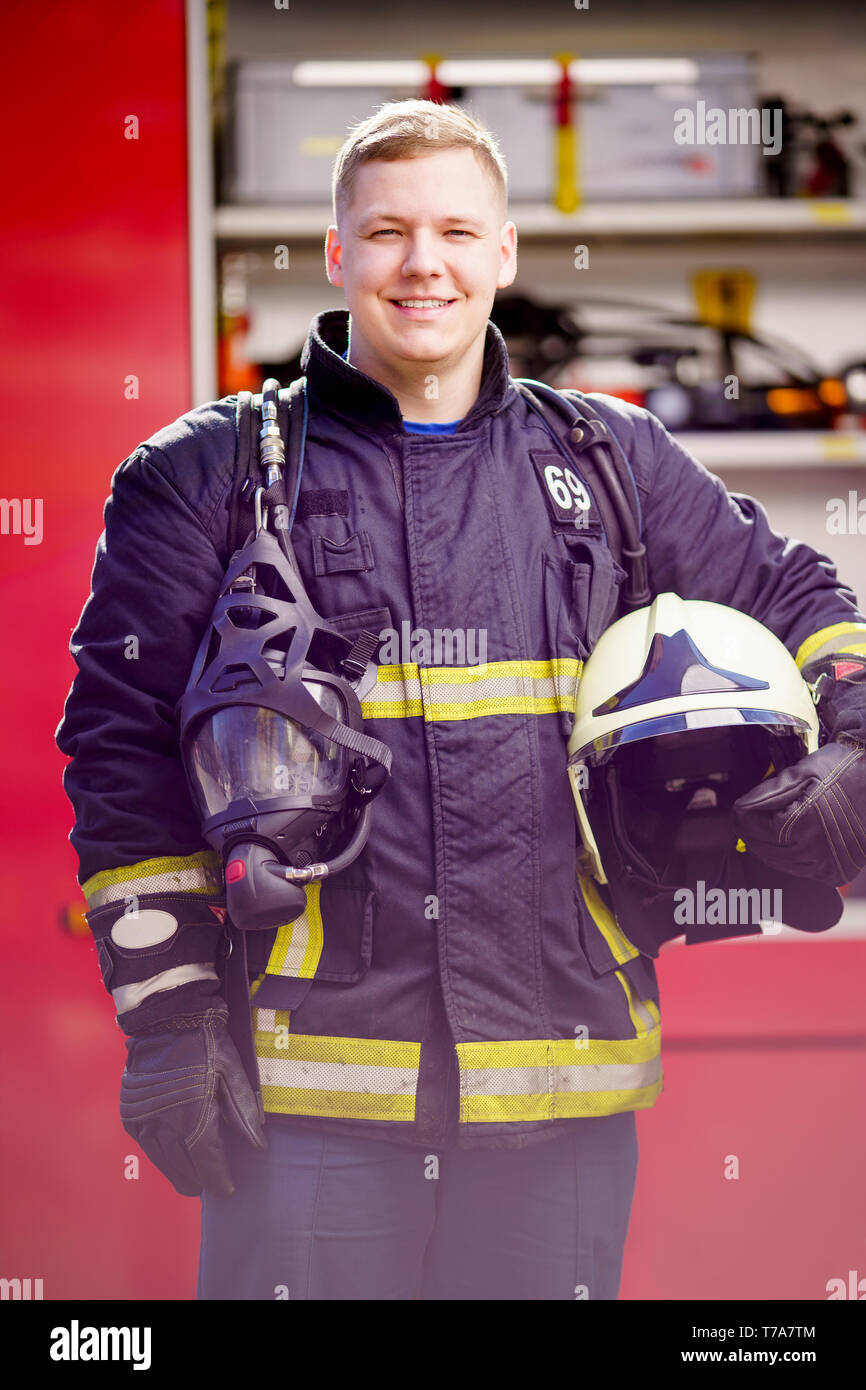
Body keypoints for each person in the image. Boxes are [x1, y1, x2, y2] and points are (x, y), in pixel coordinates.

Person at [56, 98, 866, 1301]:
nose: (420, 263)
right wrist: (171, 1015)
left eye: (453, 231)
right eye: (385, 232)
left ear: (503, 254)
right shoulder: (203, 475)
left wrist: (849, 740)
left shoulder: (611, 464)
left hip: (560, 1096)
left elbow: (802, 593)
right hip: (308, 1112)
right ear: (336, 254)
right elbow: (121, 756)